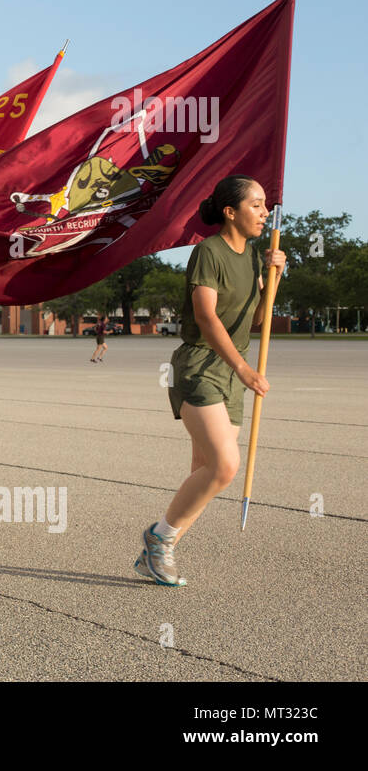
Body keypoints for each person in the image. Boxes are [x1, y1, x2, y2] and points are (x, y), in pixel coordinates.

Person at [137, 175, 284, 587]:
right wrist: (242, 367)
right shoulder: (209, 252)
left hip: (231, 369)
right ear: (230, 211)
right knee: (225, 465)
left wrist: (275, 279)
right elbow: (206, 317)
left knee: (203, 471)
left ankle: (154, 554)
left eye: (265, 205)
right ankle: (159, 539)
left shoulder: (257, 257)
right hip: (199, 364)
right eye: (256, 205)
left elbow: (258, 320)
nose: (265, 212)